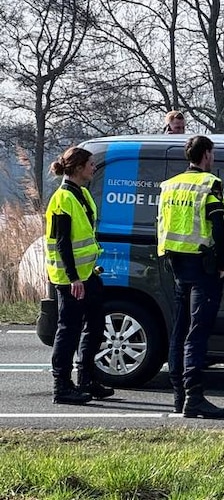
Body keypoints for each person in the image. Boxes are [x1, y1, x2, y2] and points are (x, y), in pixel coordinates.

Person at [157, 135, 224, 418]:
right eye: (212, 154)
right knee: (197, 333)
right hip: (204, 267)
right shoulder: (209, 184)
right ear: (205, 155)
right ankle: (194, 397)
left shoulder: (169, 186)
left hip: (178, 265)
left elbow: (163, 226)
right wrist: (223, 262)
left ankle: (179, 396)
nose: (213, 158)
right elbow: (217, 225)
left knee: (179, 331)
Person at [45, 147, 114, 405]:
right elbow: (62, 242)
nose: (93, 167)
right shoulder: (63, 198)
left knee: (97, 324)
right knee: (69, 330)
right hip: (69, 277)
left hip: (87, 273)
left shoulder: (82, 193)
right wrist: (73, 278)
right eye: (90, 164)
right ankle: (61, 386)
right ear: (77, 167)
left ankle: (87, 378)